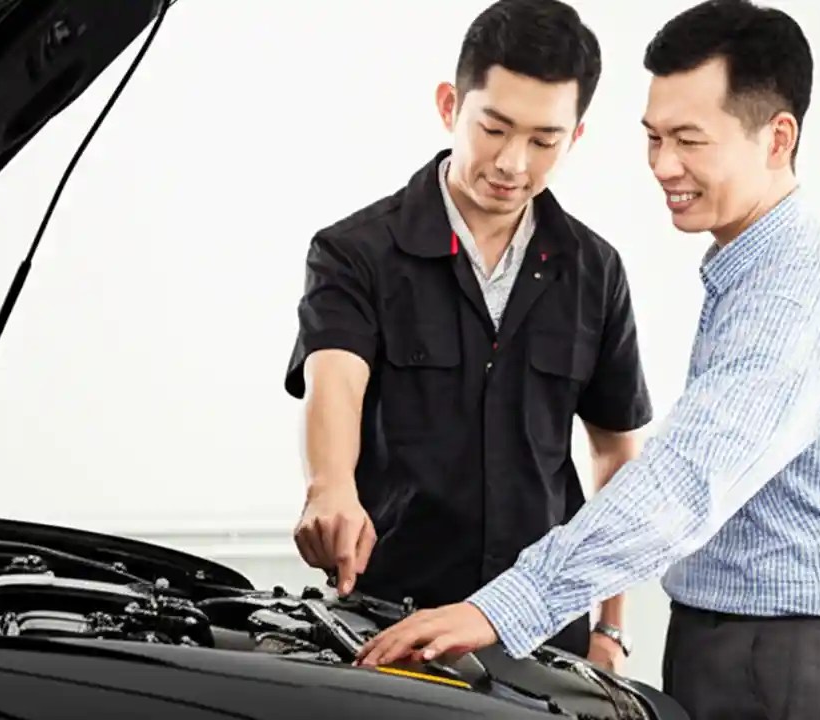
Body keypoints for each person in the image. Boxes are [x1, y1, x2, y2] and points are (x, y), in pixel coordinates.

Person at [354, 1, 820, 718]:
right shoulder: (749, 269)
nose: (665, 166)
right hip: (734, 641)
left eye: (690, 140)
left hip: (776, 659)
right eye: (654, 137)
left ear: (777, 137)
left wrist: (501, 609)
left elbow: (683, 480)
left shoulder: (791, 292)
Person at [282, 0, 653, 672]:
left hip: (543, 639)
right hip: (388, 631)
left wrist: (611, 628)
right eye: (495, 128)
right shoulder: (355, 252)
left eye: (545, 140)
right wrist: (330, 485)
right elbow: (334, 377)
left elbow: (617, 462)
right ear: (451, 104)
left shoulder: (595, 271)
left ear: (576, 137)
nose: (513, 163)